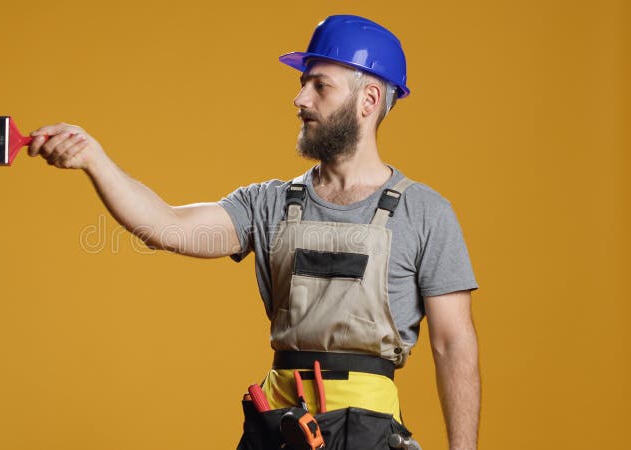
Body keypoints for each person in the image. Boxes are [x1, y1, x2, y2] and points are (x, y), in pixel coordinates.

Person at [27, 14, 480, 450]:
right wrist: (95, 160)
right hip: (281, 428)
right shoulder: (268, 204)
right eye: (303, 83)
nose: (300, 99)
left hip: (369, 434)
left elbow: (453, 344)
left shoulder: (425, 213)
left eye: (319, 85)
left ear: (369, 100)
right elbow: (166, 227)